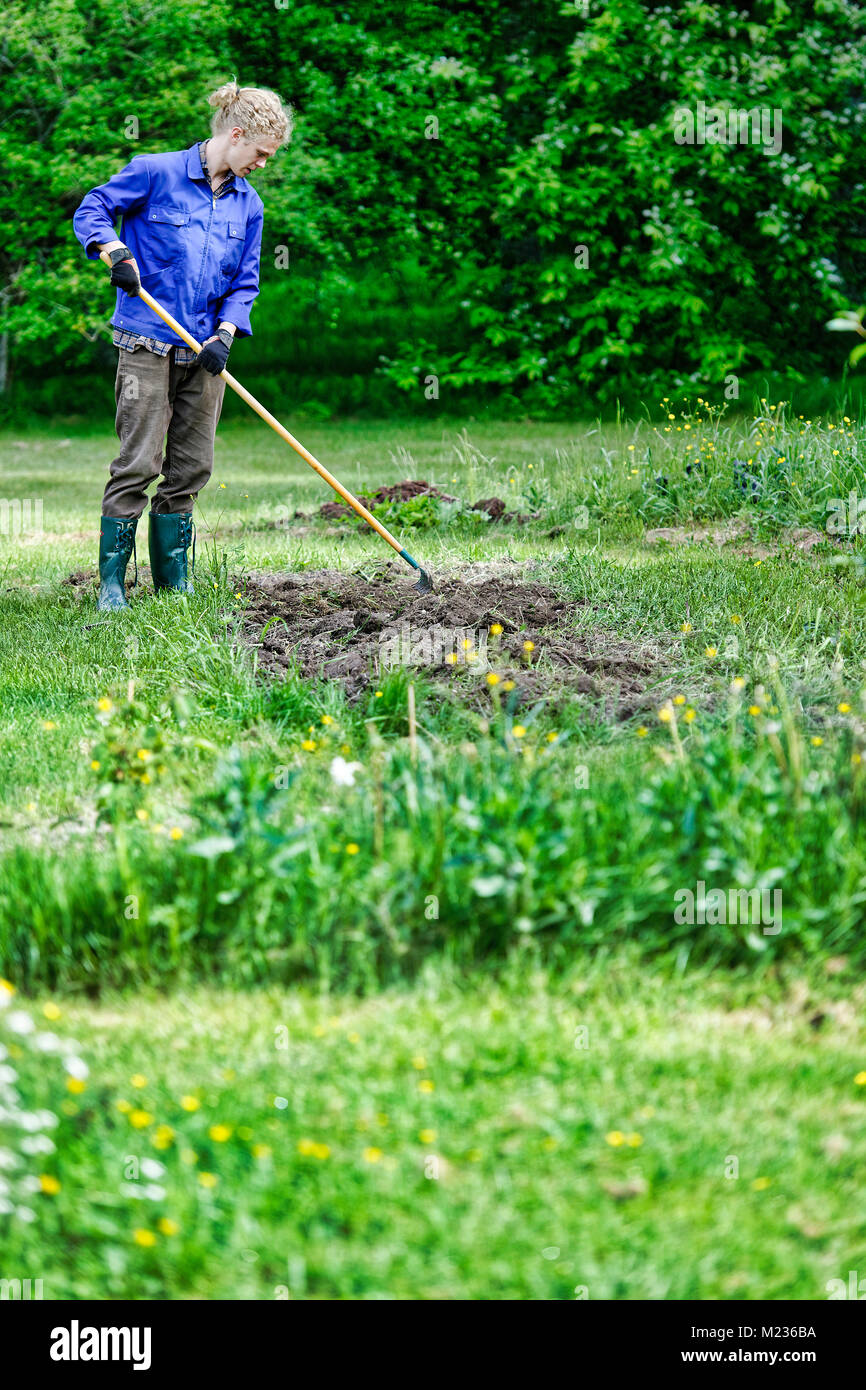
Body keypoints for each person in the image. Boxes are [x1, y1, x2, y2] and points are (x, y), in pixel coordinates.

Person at [72, 81, 292, 610]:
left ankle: (173, 584)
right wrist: (114, 250)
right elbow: (93, 207)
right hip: (146, 341)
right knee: (139, 462)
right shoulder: (156, 171)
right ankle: (110, 588)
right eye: (260, 153)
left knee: (192, 468)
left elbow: (246, 283)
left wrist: (225, 334)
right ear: (236, 134)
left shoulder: (250, 205)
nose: (263, 164)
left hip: (205, 354)